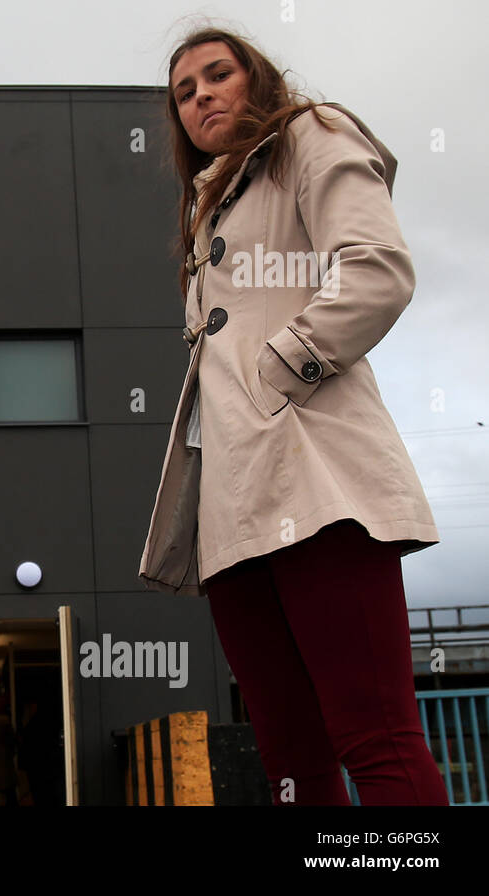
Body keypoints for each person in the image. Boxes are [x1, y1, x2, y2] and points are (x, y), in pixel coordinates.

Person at [139, 27, 447, 806]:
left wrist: (278, 370)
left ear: (259, 82)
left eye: (218, 76)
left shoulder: (311, 134)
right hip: (232, 514)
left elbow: (376, 271)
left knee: (375, 741)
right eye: (184, 92)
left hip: (319, 486)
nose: (201, 95)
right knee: (290, 765)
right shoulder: (207, 209)